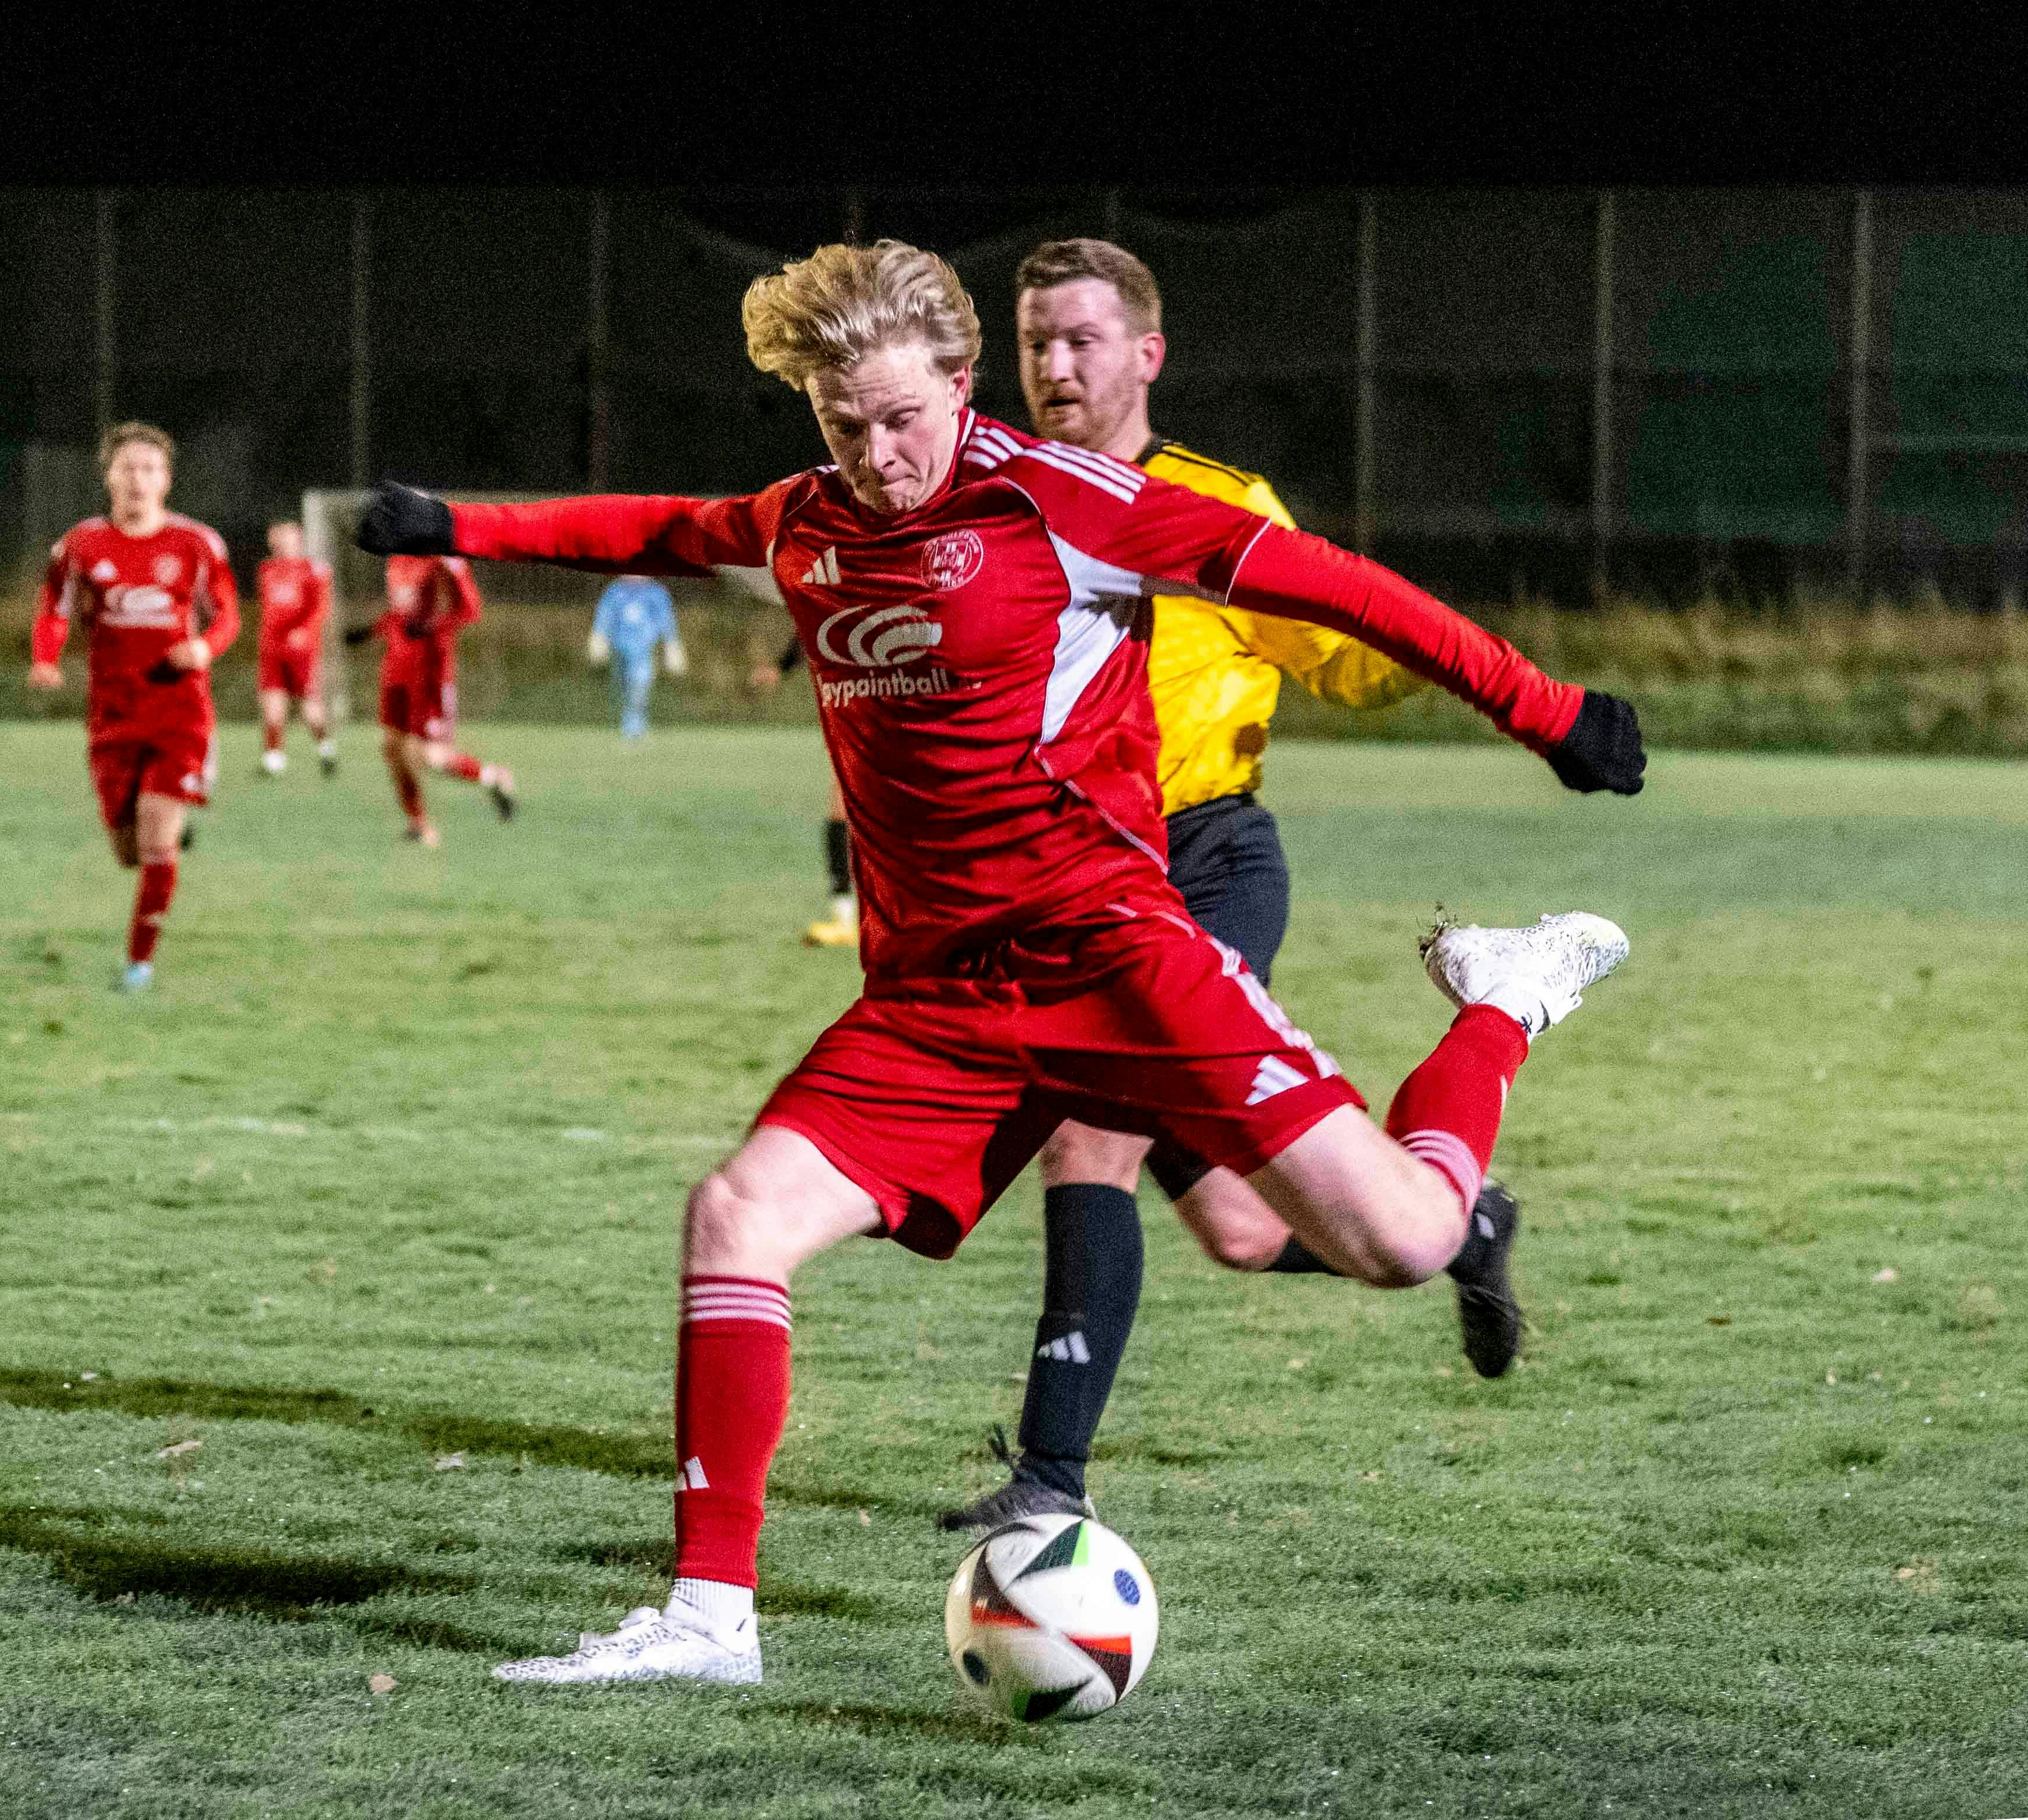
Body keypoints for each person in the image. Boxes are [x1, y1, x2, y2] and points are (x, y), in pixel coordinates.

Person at [356, 238, 1645, 1689]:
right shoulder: (807, 518)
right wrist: (458, 523)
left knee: (1401, 1239)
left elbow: (1328, 583)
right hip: (936, 997)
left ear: (962, 387)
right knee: (735, 1215)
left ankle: (1501, 997)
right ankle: (709, 1618)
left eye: (902, 418)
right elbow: (663, 525)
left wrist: (1546, 711)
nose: (878, 454)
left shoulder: (1063, 500)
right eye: (844, 424)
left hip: (1114, 953)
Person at [937, 238, 1537, 1534]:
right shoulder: (995, 504)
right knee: (1245, 1230)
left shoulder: (1219, 503)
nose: (1053, 365)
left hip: (1201, 865)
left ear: (1146, 355)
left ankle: (1047, 1483)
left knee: (1086, 1130)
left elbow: (1345, 639)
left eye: (1082, 339)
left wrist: (1480, 676)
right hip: (1067, 886)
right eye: (1034, 340)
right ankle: (1460, 1217)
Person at [27, 422, 239, 991]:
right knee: (127, 853)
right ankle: (171, 830)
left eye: (150, 468)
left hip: (180, 712)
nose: (139, 478)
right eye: (129, 467)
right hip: (113, 715)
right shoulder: (81, 544)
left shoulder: (196, 543)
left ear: (167, 480)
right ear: (109, 477)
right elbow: (54, 608)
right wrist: (45, 657)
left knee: (155, 843)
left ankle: (139, 964)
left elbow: (228, 615)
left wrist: (204, 646)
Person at [343, 552, 516, 845]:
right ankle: (419, 823)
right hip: (397, 676)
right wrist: (370, 631)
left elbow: (470, 611)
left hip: (431, 678)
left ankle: (492, 776)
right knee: (394, 752)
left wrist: (434, 626)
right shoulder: (396, 559)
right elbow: (401, 612)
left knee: (429, 757)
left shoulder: (445, 560)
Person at [749, 638, 858, 947]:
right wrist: (781, 668)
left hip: (899, 701)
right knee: (840, 806)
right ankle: (844, 918)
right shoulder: (836, 596)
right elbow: (812, 623)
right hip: (859, 704)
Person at [254, 519, 338, 777]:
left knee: (309, 708)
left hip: (303, 650)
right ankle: (274, 758)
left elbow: (321, 607)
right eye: (277, 538)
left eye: (287, 537)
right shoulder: (266, 569)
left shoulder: (315, 569)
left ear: (298, 539)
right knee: (272, 706)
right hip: (272, 648)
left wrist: (305, 630)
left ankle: (325, 748)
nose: (281, 542)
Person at [590, 575, 687, 739]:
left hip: (643, 649)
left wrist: (673, 647)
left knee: (640, 684)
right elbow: (604, 617)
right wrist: (598, 640)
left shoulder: (656, 593)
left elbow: (667, 622)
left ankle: (633, 728)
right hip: (619, 648)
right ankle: (630, 721)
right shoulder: (616, 591)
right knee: (624, 687)